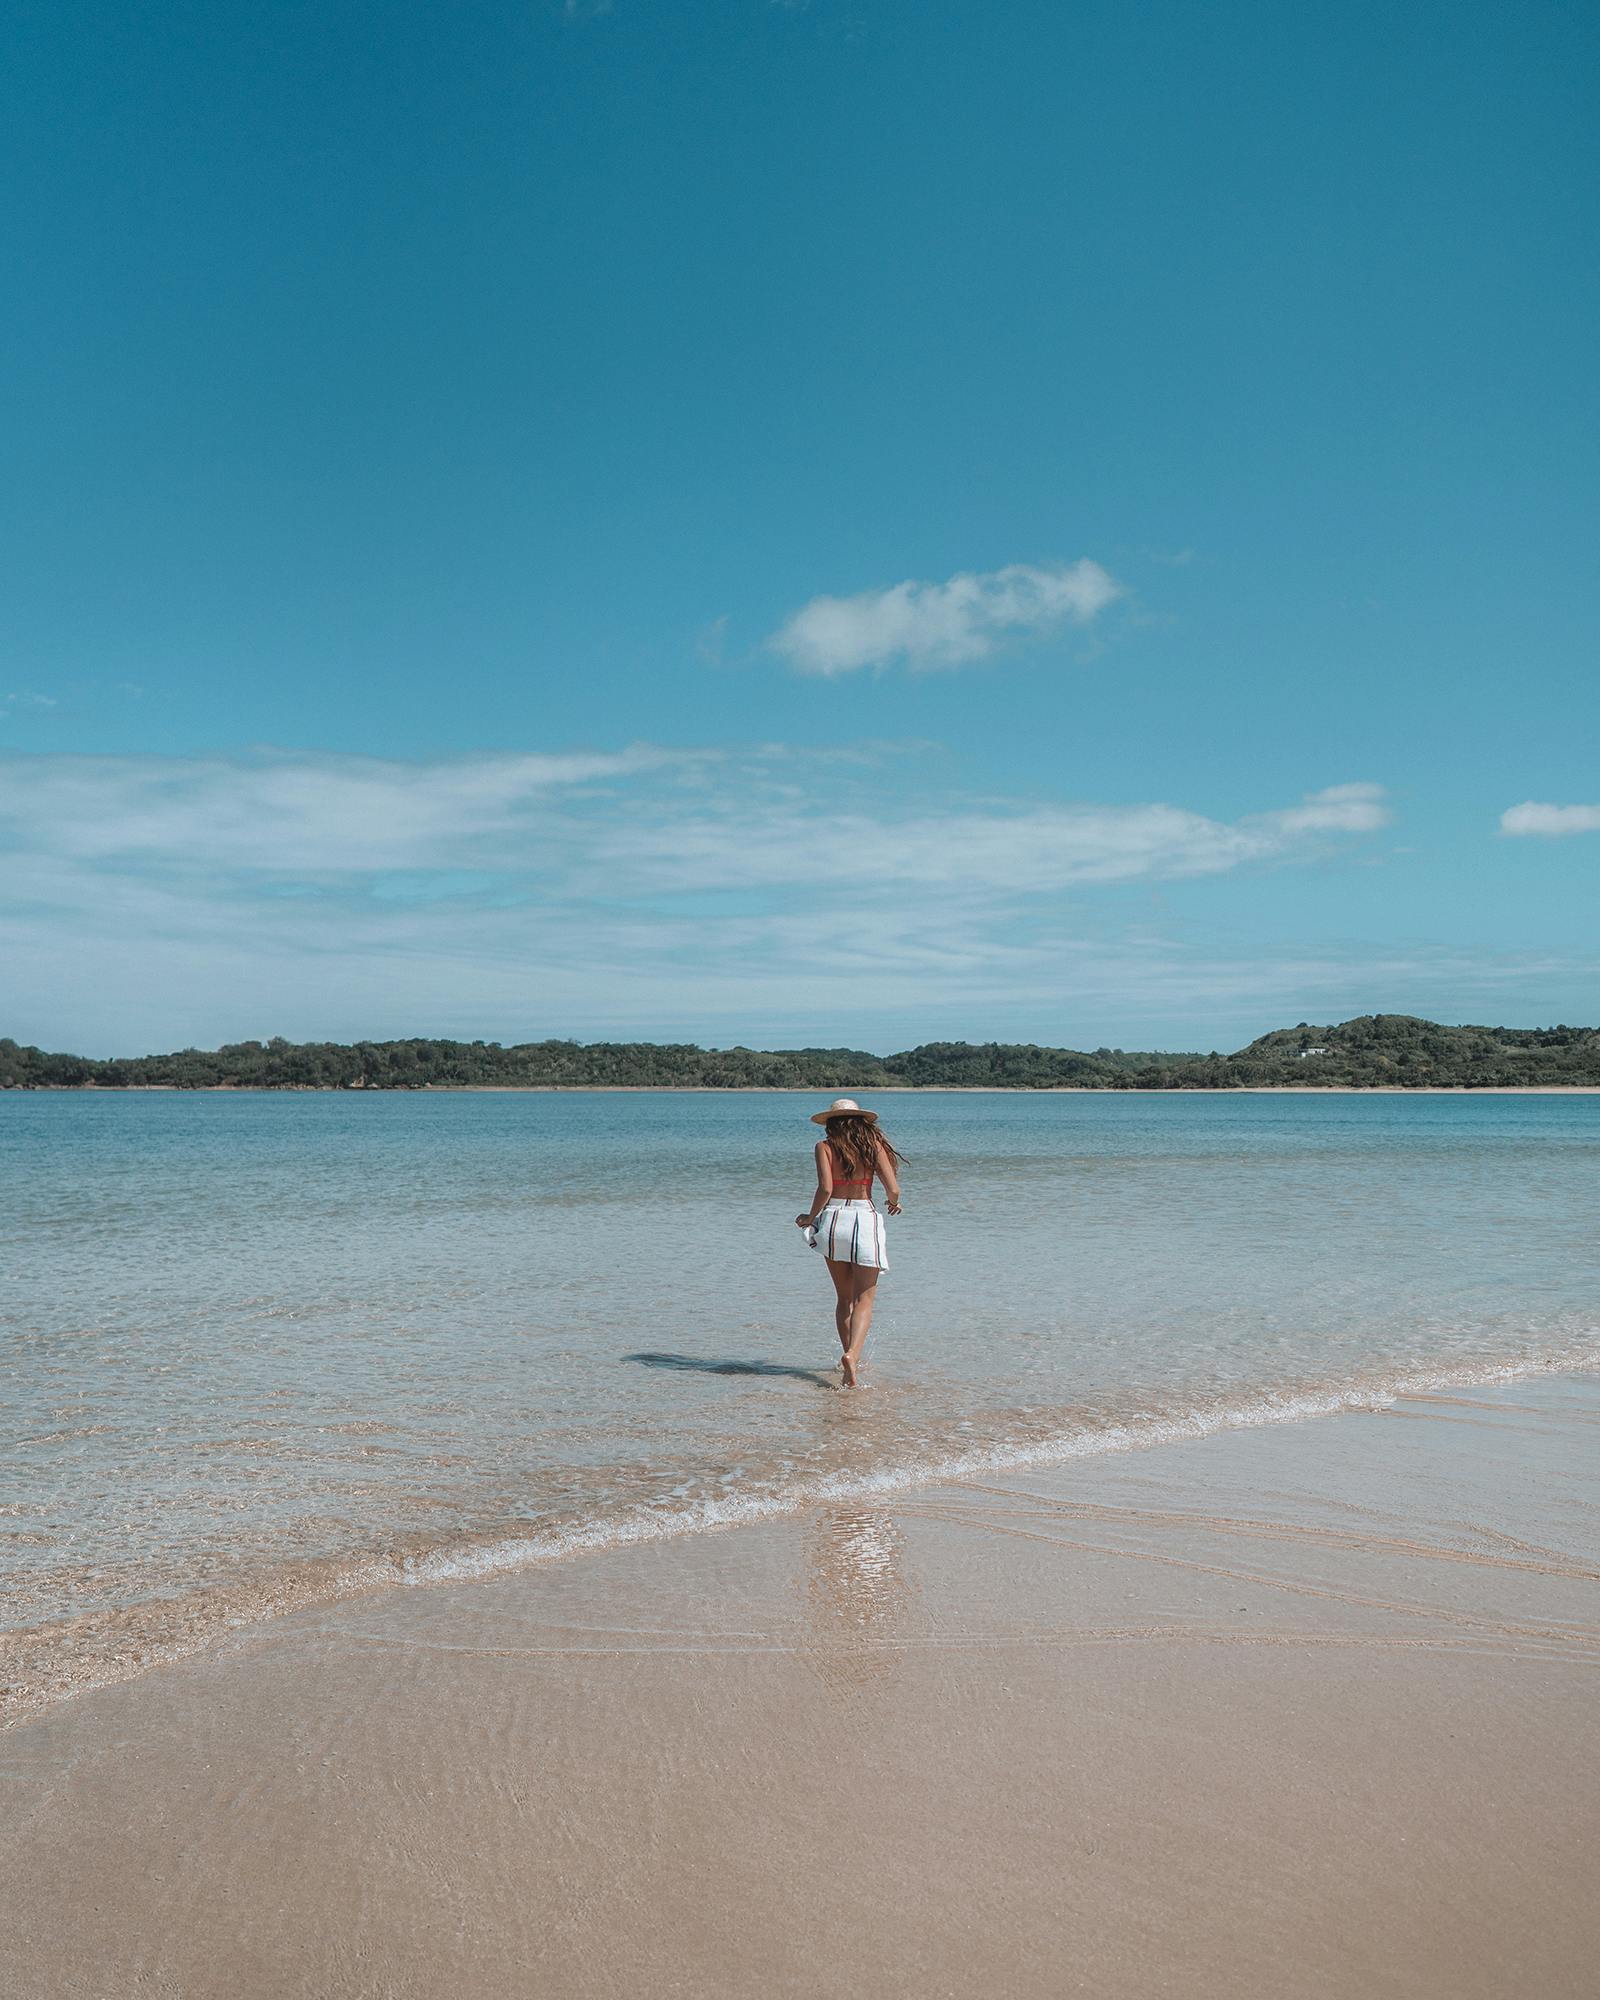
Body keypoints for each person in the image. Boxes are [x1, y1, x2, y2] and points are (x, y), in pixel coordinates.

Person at [795, 1098, 905, 1386]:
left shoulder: (824, 1147)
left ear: (830, 1123)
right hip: (863, 1219)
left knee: (843, 1298)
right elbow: (893, 1189)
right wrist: (893, 1203)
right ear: (860, 1122)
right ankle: (853, 1356)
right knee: (864, 1299)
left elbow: (826, 1188)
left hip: (832, 1221)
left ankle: (848, 1359)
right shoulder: (873, 1146)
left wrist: (810, 1217)